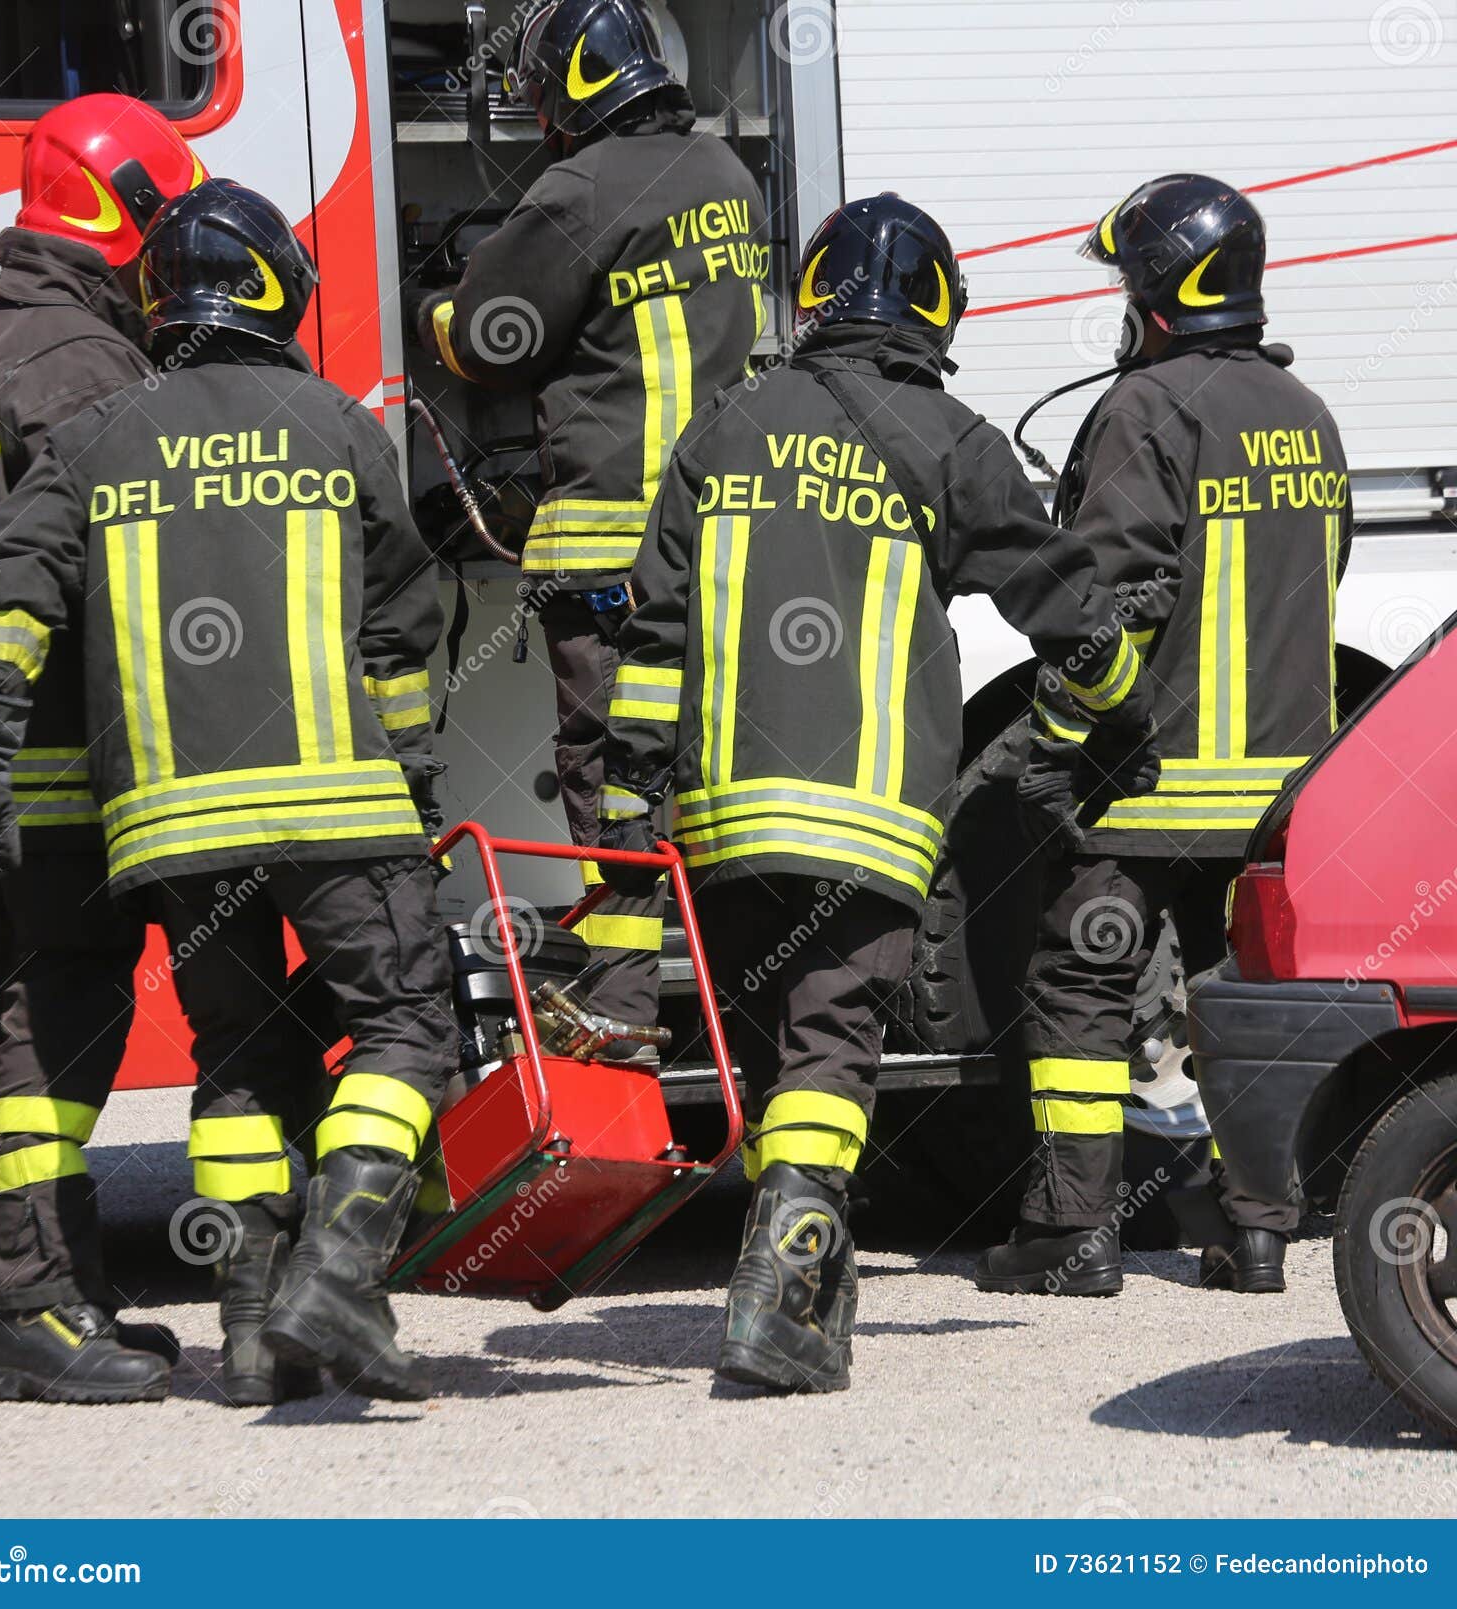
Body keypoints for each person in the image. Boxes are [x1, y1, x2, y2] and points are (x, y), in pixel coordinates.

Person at [596, 195, 1161, 1393]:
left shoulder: (723, 427)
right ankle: (784, 1305)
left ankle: (794, 1269)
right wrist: (1115, 696)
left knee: (764, 1053)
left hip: (723, 819)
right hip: (865, 819)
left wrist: (632, 798)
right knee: (831, 1048)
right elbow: (1063, 607)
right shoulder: (950, 441)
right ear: (938, 308)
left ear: (809, 296)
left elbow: (647, 641)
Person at [0, 179, 455, 1404]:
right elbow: (399, 638)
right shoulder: (334, 423)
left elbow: (6, 588)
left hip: (170, 831)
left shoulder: (105, 435)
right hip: (336, 809)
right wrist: (414, 785)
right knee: (405, 1026)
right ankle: (337, 1261)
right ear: (278, 287)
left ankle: (254, 1337)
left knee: (239, 1053)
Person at [975, 174, 1352, 1299]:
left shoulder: (1143, 411)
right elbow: (1322, 580)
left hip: (1146, 784)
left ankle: (1073, 1236)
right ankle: (1257, 1236)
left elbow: (1111, 604)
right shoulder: (1307, 414)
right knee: (1238, 995)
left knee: (1080, 984)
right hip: (1280, 796)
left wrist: (1059, 738)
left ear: (1156, 293)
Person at [0, 92, 204, 1396]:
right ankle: (33, 1310)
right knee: (56, 1022)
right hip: (57, 755)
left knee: (12, 1014)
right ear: (121, 211)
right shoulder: (85, 366)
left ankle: (55, 1281)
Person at [418, 0, 767, 1051]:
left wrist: (437, 301)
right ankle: (732, 992)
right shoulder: (725, 179)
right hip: (722, 543)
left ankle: (616, 1001)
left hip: (612, 550)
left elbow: (485, 337)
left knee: (611, 772)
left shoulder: (576, 188)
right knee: (706, 770)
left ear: (561, 90)